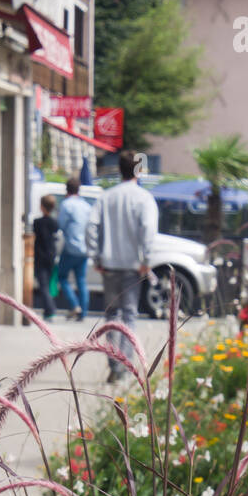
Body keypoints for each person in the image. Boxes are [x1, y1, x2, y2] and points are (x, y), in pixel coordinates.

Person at [86, 150, 160, 381]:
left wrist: (96, 256)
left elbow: (91, 226)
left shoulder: (106, 197)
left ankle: (113, 364)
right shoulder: (143, 198)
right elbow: (148, 230)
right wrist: (146, 261)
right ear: (138, 171)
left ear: (119, 169)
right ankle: (124, 365)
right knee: (129, 316)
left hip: (108, 265)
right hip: (132, 265)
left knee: (111, 316)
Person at [57, 177, 91, 320]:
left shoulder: (66, 205)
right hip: (84, 249)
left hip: (71, 247)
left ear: (67, 190)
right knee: (81, 280)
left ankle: (74, 305)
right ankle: (83, 313)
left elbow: (61, 224)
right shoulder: (86, 206)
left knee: (62, 277)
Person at [32, 194, 60, 320]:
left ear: (42, 207)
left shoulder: (37, 223)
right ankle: (48, 311)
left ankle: (50, 310)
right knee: (48, 284)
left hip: (40, 257)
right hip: (51, 257)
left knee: (43, 285)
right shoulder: (54, 223)